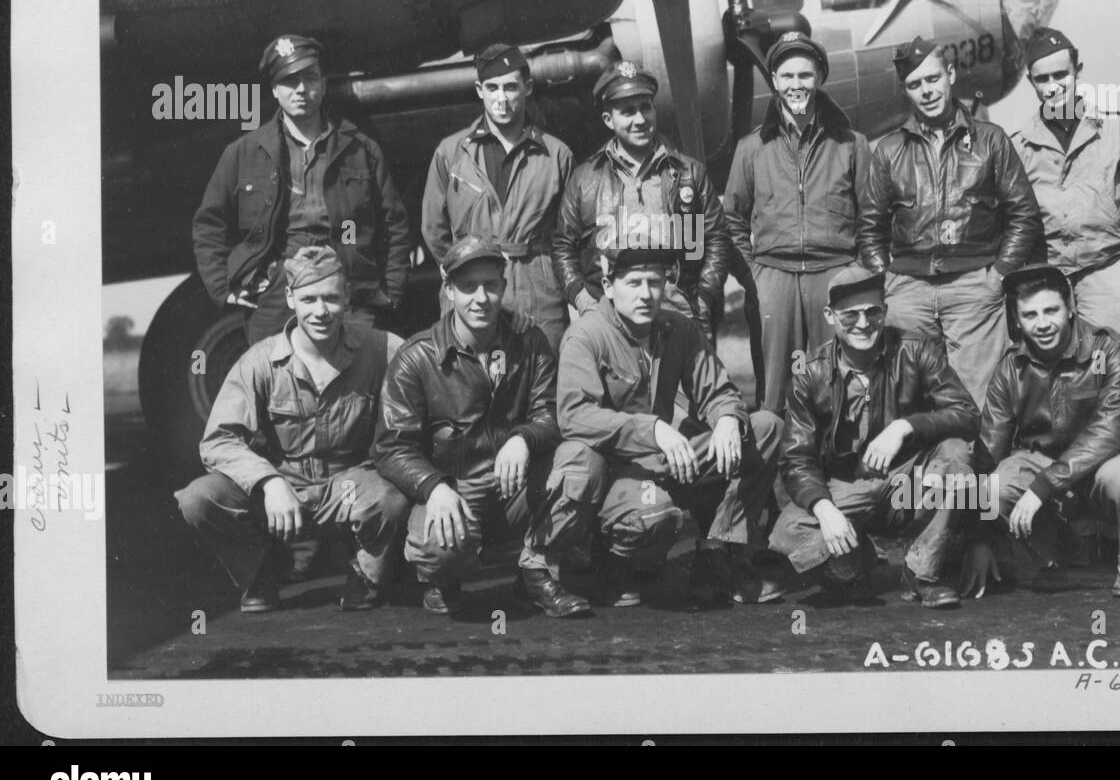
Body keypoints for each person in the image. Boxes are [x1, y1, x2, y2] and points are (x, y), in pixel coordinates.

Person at [532, 243, 784, 608]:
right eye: (634, 283)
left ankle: (718, 553)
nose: (646, 293)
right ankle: (612, 562)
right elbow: (575, 415)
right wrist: (651, 429)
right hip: (619, 471)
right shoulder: (586, 336)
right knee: (654, 513)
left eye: (655, 282)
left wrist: (728, 418)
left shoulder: (678, 327)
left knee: (764, 428)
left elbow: (717, 390)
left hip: (671, 460)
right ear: (609, 286)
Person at [175, 247, 410, 612]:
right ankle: (262, 568)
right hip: (283, 491)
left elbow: (421, 407)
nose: (321, 311)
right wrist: (269, 482)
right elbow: (219, 440)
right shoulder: (260, 361)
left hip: (348, 489)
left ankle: (365, 571)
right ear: (289, 298)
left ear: (348, 296)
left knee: (390, 497)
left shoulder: (382, 348)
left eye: (331, 298)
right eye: (308, 299)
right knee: (199, 499)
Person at [372, 235, 590, 619]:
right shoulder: (417, 356)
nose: (481, 298)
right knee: (437, 548)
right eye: (468, 287)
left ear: (504, 286)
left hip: (514, 486)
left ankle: (535, 570)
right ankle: (445, 579)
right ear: (449, 291)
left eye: (490, 285)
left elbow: (551, 413)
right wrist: (433, 487)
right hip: (453, 488)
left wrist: (523, 438)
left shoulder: (529, 341)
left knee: (583, 463)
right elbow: (392, 446)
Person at [769, 265, 981, 607]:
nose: (863, 323)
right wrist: (824, 509)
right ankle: (855, 564)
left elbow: (967, 414)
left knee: (956, 455)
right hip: (847, 488)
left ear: (885, 310)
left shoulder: (916, 350)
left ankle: (924, 573)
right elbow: (796, 458)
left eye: (872, 312)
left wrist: (905, 426)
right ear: (830, 316)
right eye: (850, 315)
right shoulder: (810, 373)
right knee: (788, 535)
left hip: (908, 484)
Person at [860, 35, 1042, 408]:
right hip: (908, 290)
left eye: (933, 79)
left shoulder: (991, 140)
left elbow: (1023, 213)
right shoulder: (889, 151)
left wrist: (999, 275)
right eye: (915, 84)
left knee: (980, 400)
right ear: (905, 90)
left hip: (974, 287)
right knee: (905, 397)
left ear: (951, 75)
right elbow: (869, 226)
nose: (926, 91)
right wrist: (887, 281)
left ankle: (976, 450)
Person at [193, 33, 411, 344]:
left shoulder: (361, 149)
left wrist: (391, 289)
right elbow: (209, 225)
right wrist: (222, 286)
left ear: (323, 84)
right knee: (274, 371)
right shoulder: (243, 153)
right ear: (274, 90)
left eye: (309, 78)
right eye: (289, 80)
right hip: (277, 289)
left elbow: (395, 224)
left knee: (358, 370)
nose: (300, 89)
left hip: (347, 288)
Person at [969, 265, 1120, 599]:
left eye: (1051, 310)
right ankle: (1058, 558)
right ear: (1017, 320)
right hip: (1045, 470)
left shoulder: (1110, 349)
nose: (1042, 324)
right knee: (993, 488)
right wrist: (980, 539)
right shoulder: (1009, 368)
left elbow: (1110, 431)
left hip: (1109, 462)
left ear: (1070, 307)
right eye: (1030, 315)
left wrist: (1042, 487)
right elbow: (988, 452)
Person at [1009, 27, 1120, 390]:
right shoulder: (1020, 145)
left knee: (1116, 376)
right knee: (1058, 384)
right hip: (1049, 280)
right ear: (1031, 82)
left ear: (1077, 70)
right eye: (1042, 79)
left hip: (1106, 271)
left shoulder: (1117, 130)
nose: (1053, 86)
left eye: (1060, 75)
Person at [724, 31, 873, 409]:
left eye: (805, 75)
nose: (797, 84)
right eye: (787, 76)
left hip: (836, 274)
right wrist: (753, 275)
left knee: (838, 381)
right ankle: (776, 442)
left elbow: (872, 216)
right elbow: (733, 219)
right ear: (774, 80)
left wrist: (857, 273)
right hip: (773, 277)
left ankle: (840, 443)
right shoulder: (751, 148)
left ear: (819, 78)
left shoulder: (851, 144)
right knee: (777, 386)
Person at [552, 60, 730, 343]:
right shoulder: (585, 180)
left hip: (679, 313)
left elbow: (716, 238)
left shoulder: (688, 174)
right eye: (627, 111)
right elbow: (563, 246)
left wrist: (704, 297)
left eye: (645, 107)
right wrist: (585, 302)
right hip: (611, 319)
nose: (640, 119)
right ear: (608, 120)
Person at [422, 43, 575, 354]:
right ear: (480, 90)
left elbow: (570, 235)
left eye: (510, 87)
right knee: (470, 374)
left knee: (541, 372)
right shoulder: (451, 153)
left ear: (527, 88)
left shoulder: (556, 155)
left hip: (538, 291)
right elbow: (433, 229)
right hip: (473, 290)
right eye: (492, 88)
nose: (501, 98)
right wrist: (463, 269)